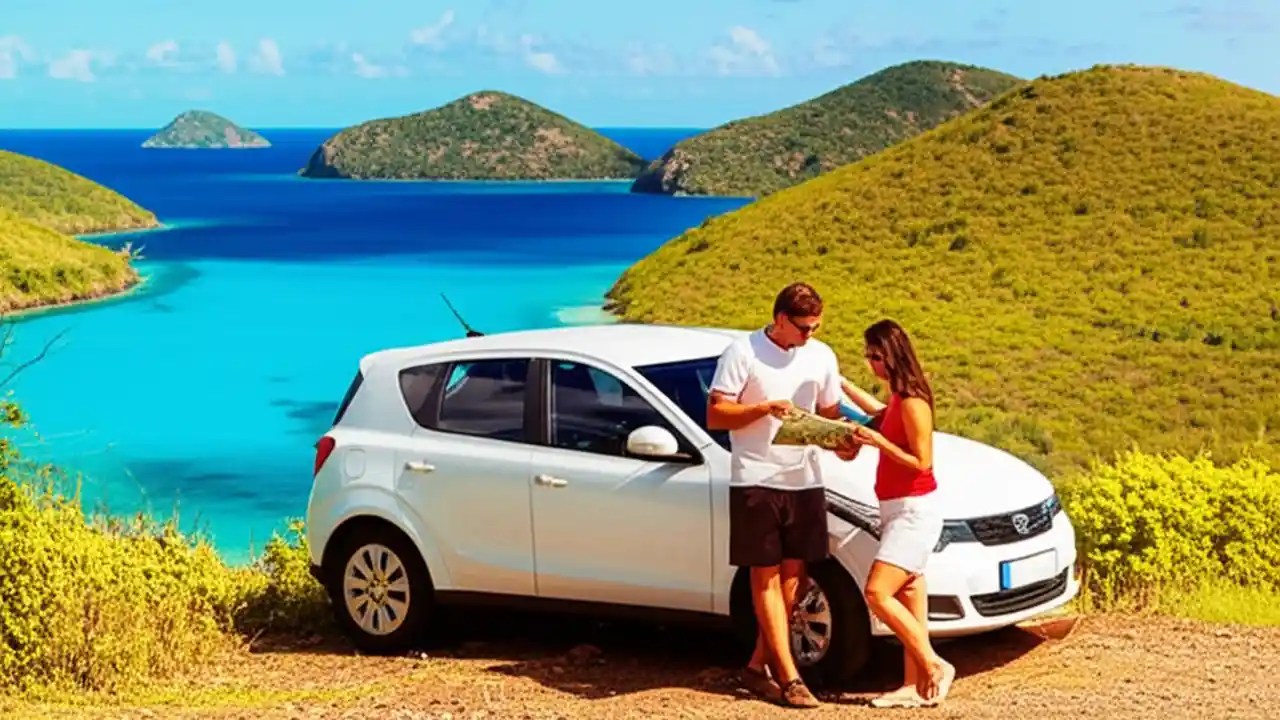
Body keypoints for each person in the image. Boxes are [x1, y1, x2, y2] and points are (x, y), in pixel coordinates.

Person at [706, 281, 860, 709]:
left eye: (816, 326)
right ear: (780, 320)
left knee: (795, 579)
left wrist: (843, 442)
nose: (810, 335)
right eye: (804, 327)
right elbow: (716, 414)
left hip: (805, 478)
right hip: (756, 479)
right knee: (765, 577)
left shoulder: (822, 355)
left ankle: (757, 667)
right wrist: (762, 409)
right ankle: (789, 676)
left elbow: (828, 416)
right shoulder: (743, 352)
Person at [842, 318, 955, 707]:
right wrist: (838, 383)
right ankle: (913, 685)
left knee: (877, 592)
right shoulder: (895, 399)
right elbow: (878, 413)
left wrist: (877, 443)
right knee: (907, 595)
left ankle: (932, 663)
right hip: (894, 508)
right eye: (868, 356)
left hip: (914, 511)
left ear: (892, 356)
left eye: (876, 356)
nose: (871, 363)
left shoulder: (914, 401)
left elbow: (922, 462)